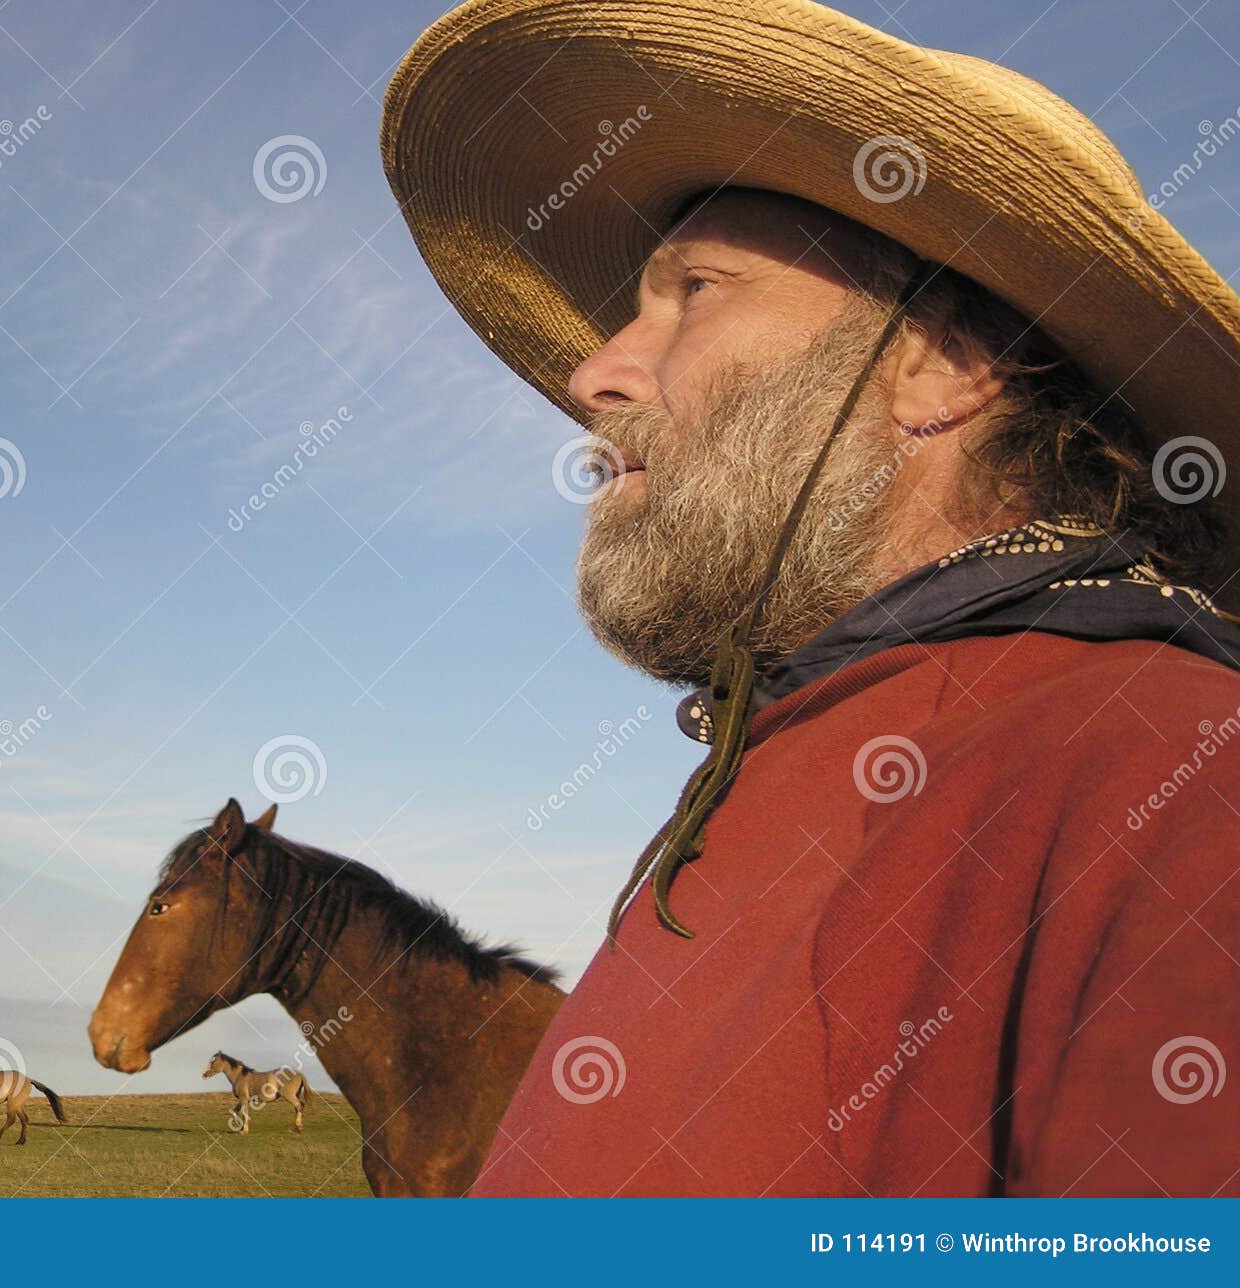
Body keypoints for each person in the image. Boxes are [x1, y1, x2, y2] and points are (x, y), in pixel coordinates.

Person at [380, 0, 1240, 1195]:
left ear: (938, 367)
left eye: (694, 288)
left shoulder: (1171, 775)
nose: (594, 372)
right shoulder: (778, 758)